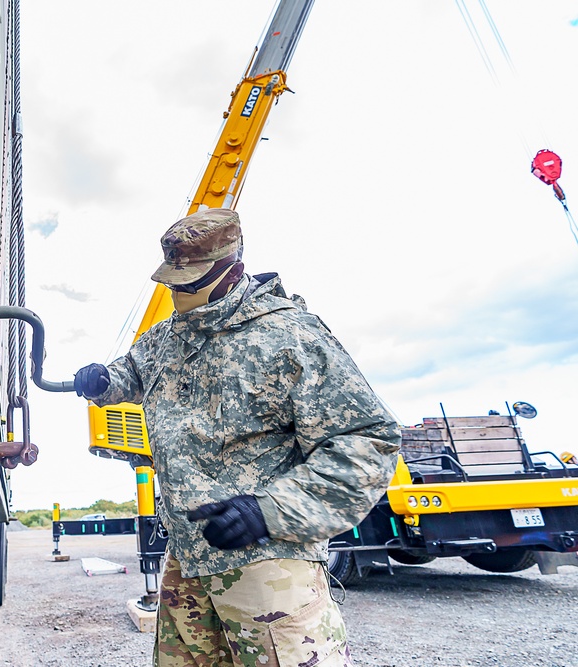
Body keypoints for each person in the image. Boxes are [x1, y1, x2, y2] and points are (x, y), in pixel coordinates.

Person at [73, 208, 401, 667]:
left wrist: (270, 509)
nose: (178, 292)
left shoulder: (289, 335)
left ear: (233, 270)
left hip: (268, 566)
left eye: (190, 282)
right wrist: (103, 381)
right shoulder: (166, 338)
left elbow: (367, 440)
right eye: (173, 281)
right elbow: (134, 370)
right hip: (187, 560)